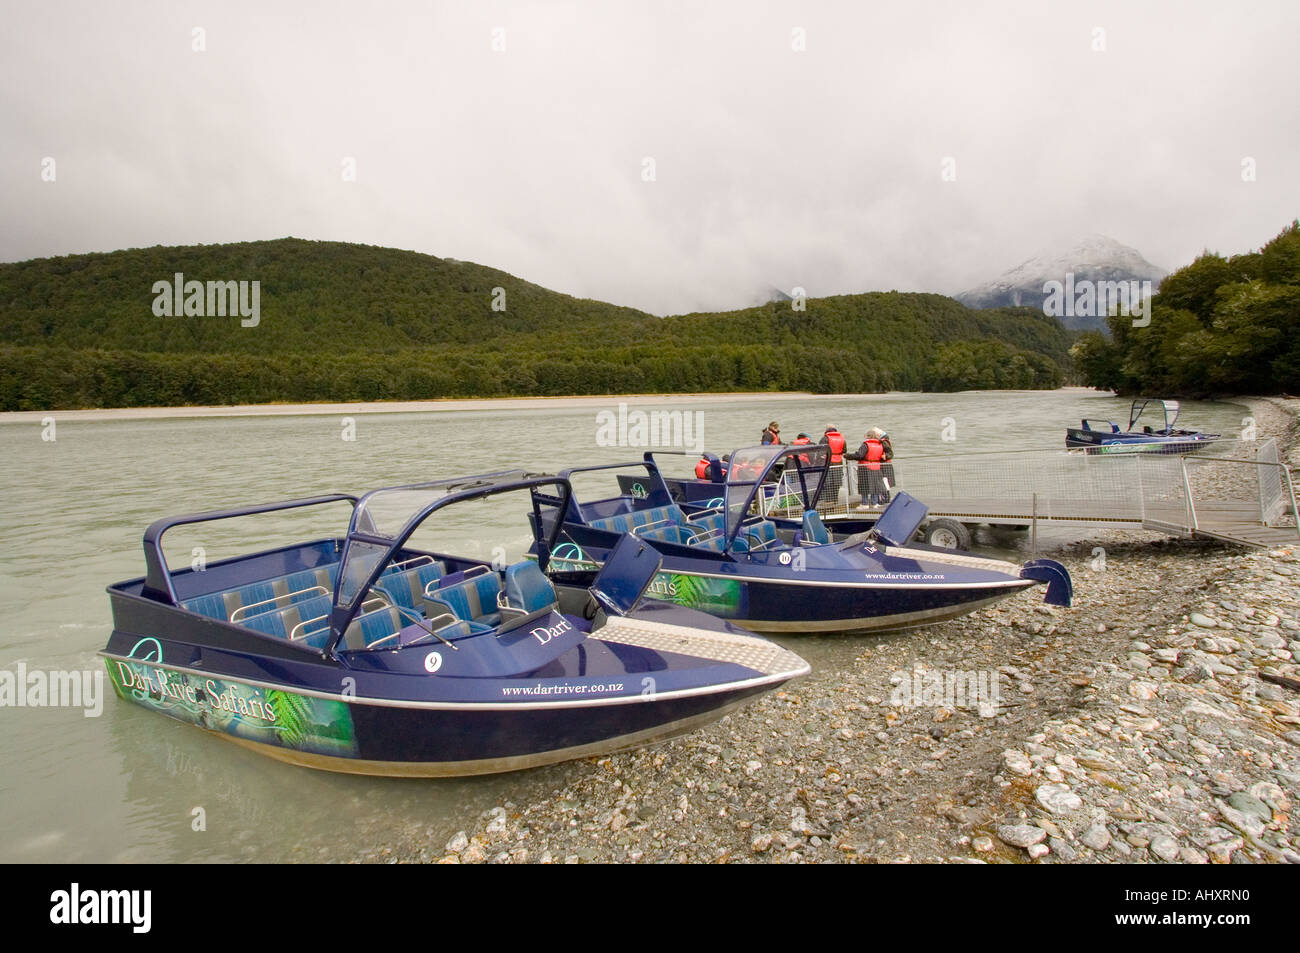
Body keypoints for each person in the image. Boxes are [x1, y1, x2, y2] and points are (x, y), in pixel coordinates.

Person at [846, 428, 891, 505]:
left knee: (864, 486)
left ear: (868, 436)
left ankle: (865, 504)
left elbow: (860, 455)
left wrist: (847, 456)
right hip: (876, 467)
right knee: (875, 486)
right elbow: (884, 456)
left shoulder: (866, 445)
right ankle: (874, 503)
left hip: (865, 467)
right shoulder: (880, 444)